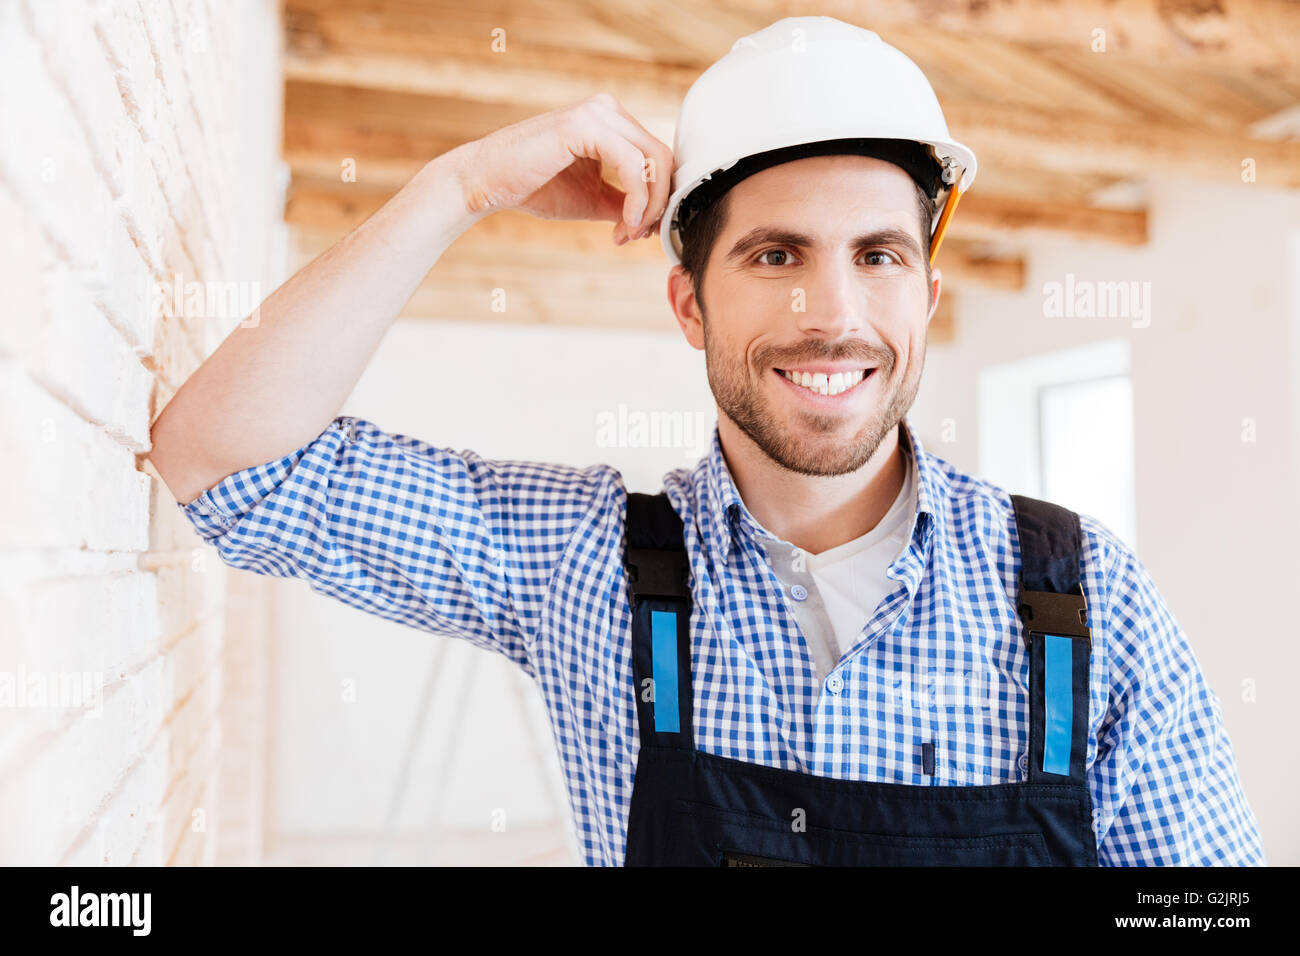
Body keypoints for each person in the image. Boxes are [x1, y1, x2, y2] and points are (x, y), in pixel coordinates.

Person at [147, 17, 1265, 866]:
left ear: (926, 294)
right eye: (775, 255)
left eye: (876, 255)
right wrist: (462, 186)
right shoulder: (584, 567)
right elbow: (227, 462)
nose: (833, 313)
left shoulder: (1080, 600)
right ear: (689, 305)